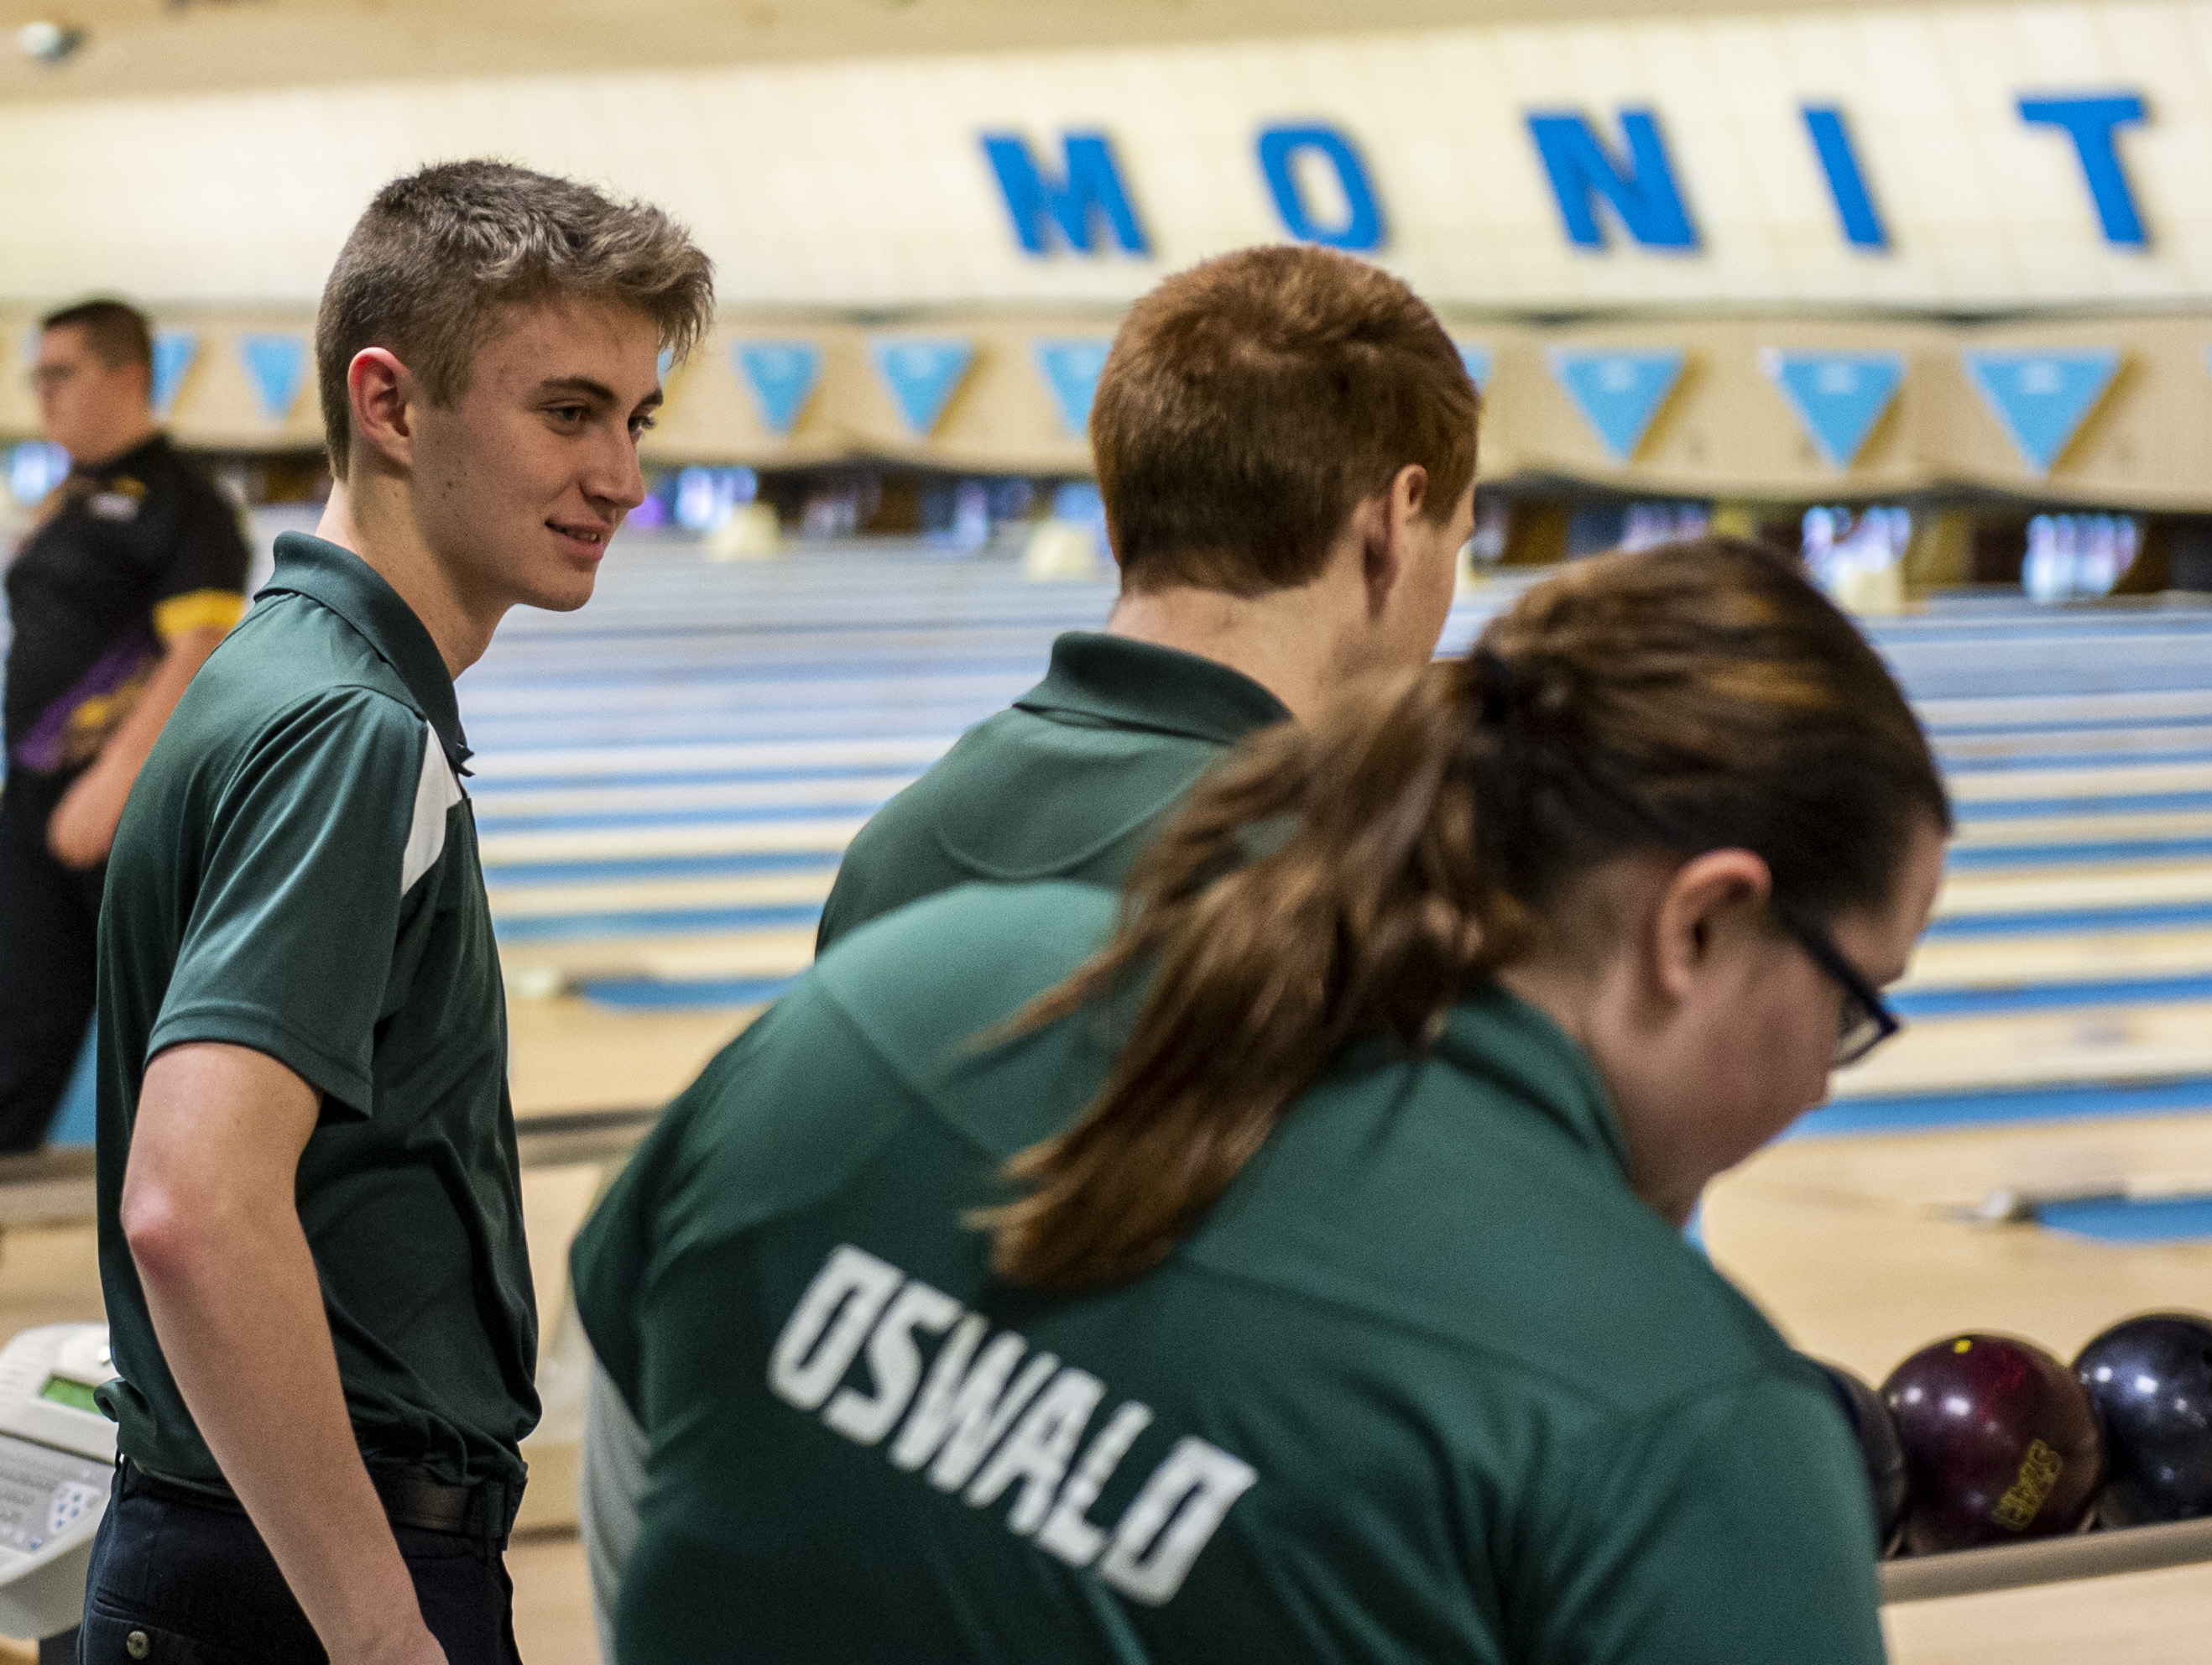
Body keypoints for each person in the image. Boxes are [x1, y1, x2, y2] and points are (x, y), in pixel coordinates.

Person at [573, 537, 1954, 1663]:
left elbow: (635, 1470)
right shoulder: (1688, 1417)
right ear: (1698, 924)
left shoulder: (903, 996)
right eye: (1850, 1006)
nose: (1818, 1083)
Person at [86, 162, 712, 1665]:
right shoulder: (349, 730)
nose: (622, 477)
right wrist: (380, 1632)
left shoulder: (279, 668)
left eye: (636, 420)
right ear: (391, 404)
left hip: (236, 1542)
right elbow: (192, 1203)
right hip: (311, 1568)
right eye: (569, 412)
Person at [813, 243, 1478, 950]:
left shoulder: (891, 849)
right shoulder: (1355, 891)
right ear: (1392, 523)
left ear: (1113, 523)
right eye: (1459, 541)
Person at [0, 299, 250, 1152]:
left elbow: (200, 649)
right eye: (38, 375)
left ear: (129, 375)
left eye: (61, 373)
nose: (43, 392)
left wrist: (115, 779)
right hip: (36, 796)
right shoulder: (73, 497)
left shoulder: (185, 502)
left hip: (126, 806)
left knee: (164, 1032)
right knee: (22, 1021)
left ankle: (202, 1196)